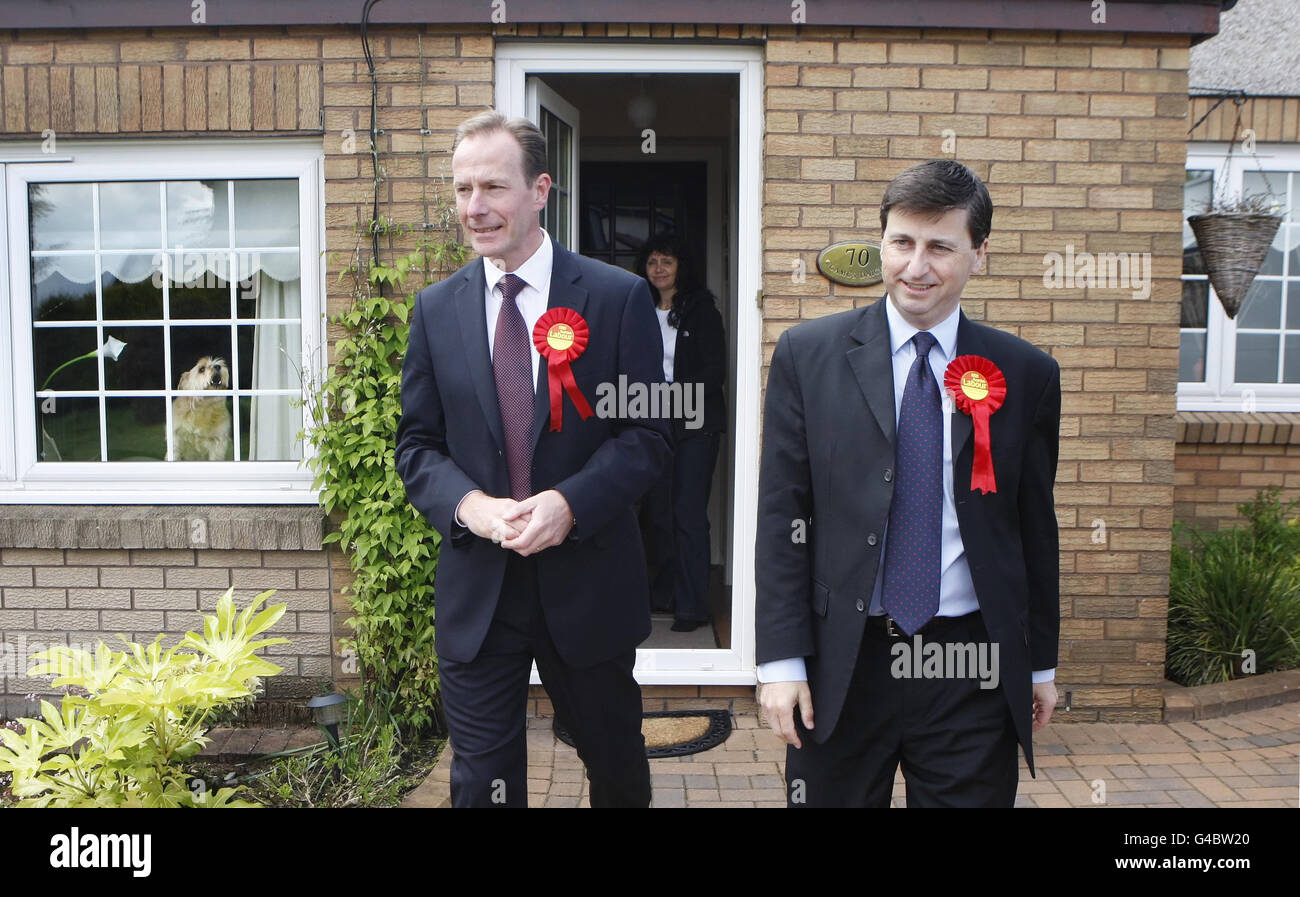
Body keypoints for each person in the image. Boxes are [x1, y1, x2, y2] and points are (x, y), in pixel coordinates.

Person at [754, 160, 1061, 808]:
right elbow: (783, 517)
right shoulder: (807, 355)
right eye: (902, 242)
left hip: (969, 666)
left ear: (980, 253)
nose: (916, 266)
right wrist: (780, 662)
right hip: (843, 662)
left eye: (940, 247)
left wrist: (1039, 664)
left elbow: (1034, 530)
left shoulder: (1026, 372)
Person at [395, 109, 671, 808]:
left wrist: (570, 503)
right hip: (480, 590)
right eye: (461, 190)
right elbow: (417, 446)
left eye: (493, 187)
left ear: (541, 189)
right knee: (481, 780)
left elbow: (649, 437)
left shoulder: (616, 297)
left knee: (615, 767)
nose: (475, 208)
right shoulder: (436, 310)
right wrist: (471, 506)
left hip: (588, 585)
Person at [634, 234, 727, 633]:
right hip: (650, 419)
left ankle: (692, 606)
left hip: (694, 424)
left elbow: (714, 371)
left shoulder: (702, 310)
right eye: (653, 261)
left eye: (667, 261)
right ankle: (662, 594)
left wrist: (672, 396)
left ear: (680, 267)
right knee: (656, 512)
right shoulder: (637, 307)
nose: (658, 268)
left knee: (688, 512)